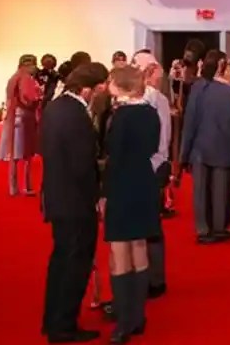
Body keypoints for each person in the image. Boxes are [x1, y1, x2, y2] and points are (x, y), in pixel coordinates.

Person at [40, 62, 109, 345]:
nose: (101, 95)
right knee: (75, 263)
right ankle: (63, 326)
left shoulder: (55, 107)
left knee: (59, 261)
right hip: (76, 201)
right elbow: (82, 165)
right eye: (100, 89)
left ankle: (52, 320)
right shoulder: (77, 115)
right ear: (86, 89)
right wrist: (98, 193)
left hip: (56, 195)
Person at [102, 66, 161, 344]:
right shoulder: (151, 112)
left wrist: (103, 193)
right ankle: (137, 317)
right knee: (139, 249)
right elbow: (151, 148)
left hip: (122, 184)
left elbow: (114, 156)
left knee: (120, 253)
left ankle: (123, 322)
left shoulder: (121, 116)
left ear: (120, 85)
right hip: (144, 183)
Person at [180, 50, 230, 244]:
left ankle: (203, 229)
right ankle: (220, 227)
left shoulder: (199, 87)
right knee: (221, 189)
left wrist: (184, 153)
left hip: (200, 146)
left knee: (200, 190)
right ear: (221, 66)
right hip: (223, 146)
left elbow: (190, 121)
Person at [139, 57, 172, 297]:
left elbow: (159, 137)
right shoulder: (157, 99)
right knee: (152, 225)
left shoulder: (151, 99)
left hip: (149, 166)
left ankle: (151, 279)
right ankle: (154, 278)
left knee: (148, 227)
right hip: (157, 164)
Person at [0, 55, 44, 197]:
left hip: (13, 116)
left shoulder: (13, 78)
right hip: (25, 117)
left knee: (14, 153)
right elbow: (28, 99)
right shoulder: (26, 78)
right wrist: (39, 97)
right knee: (27, 153)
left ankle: (13, 186)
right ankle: (27, 185)